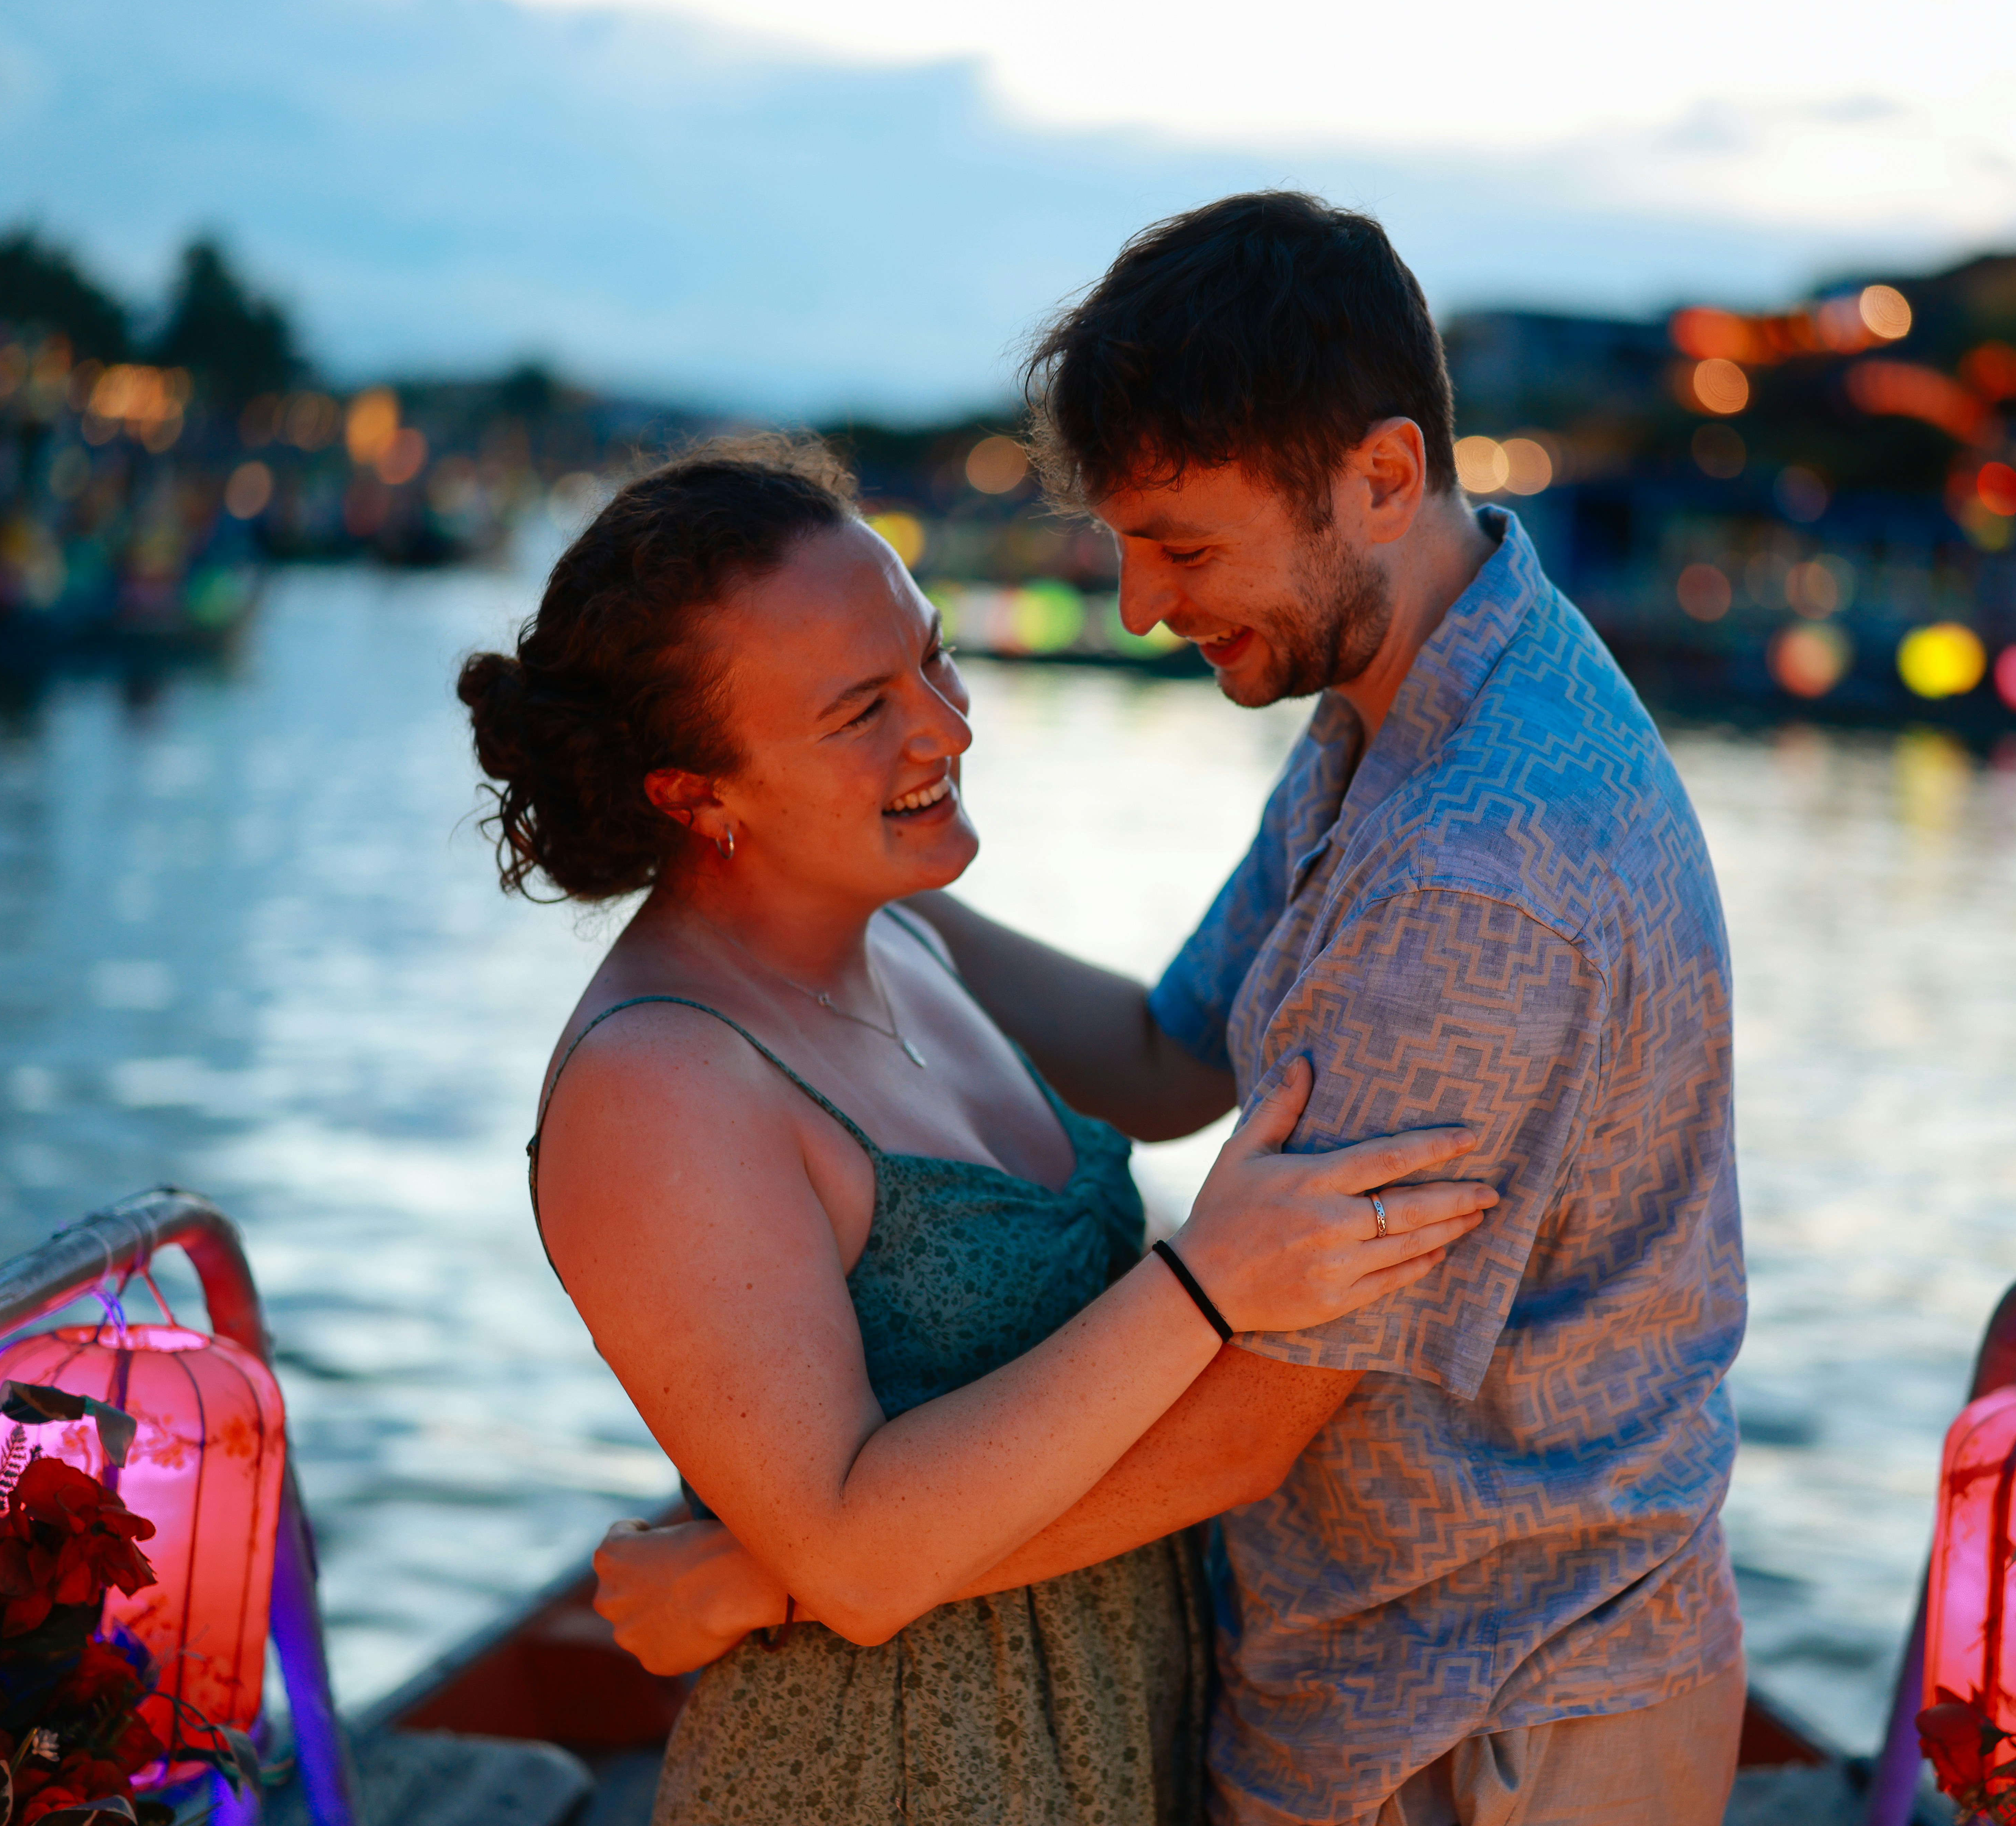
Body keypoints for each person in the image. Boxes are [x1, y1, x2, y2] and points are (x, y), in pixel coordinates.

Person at [598, 193, 1751, 1826]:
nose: (1140, 603)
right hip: (1379, 1669)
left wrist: (777, 1578)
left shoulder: (1476, 872)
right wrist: (840, 849)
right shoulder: (1404, 709)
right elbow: (1164, 1059)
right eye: (1128, 541)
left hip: (1487, 1717)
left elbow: (1246, 1431)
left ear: (1381, 477)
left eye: (1186, 546)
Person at [457, 436, 1494, 1826]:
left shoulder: (899, 925)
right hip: (880, 1774)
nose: (944, 726)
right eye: (860, 710)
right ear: (696, 795)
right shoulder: (663, 1086)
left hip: (1119, 1715)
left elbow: (1172, 1060)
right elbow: (856, 1556)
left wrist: (1365, 737)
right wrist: (1204, 1286)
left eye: (931, 659)